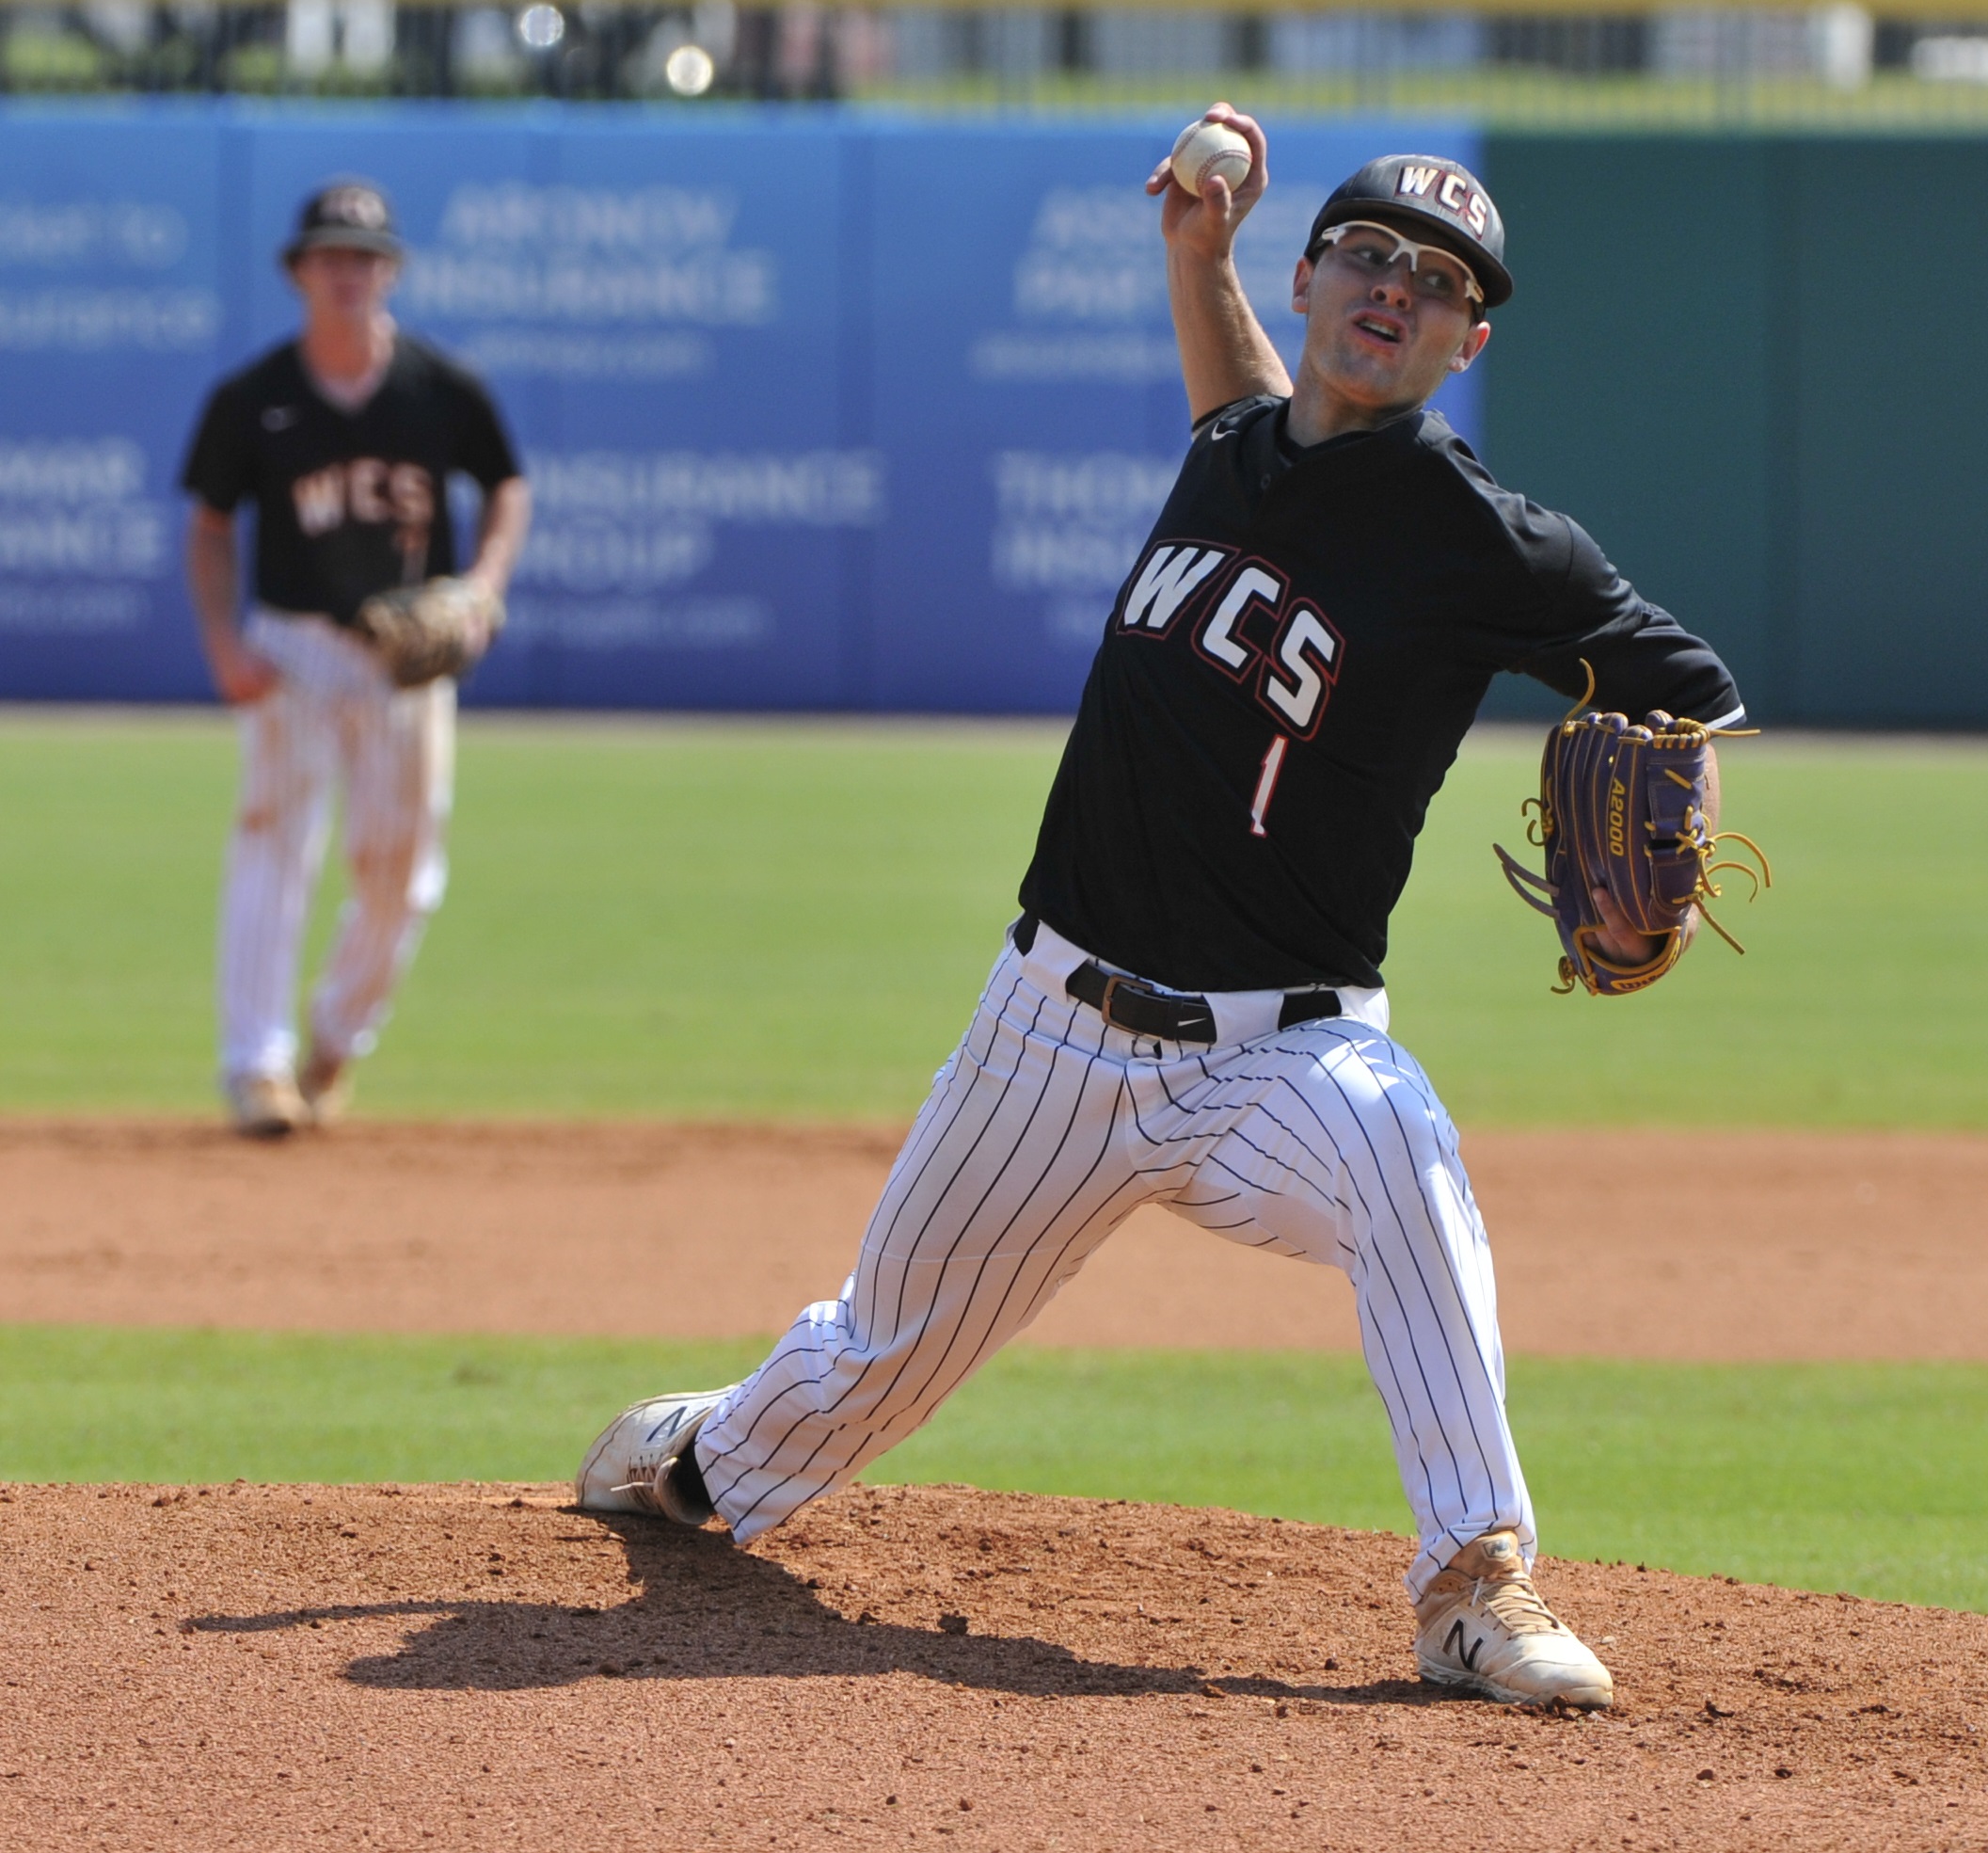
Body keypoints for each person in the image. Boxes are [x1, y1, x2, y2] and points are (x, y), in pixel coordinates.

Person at [575, 111, 1745, 1709]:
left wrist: (1660, 851)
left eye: (1436, 282)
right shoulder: (1233, 446)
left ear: (1469, 339)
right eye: (1368, 253)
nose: (1393, 289)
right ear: (1316, 272)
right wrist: (1192, 251)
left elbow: (1683, 690)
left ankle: (1474, 1582)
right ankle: (699, 1454)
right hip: (1047, 1040)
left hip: (1282, 1054)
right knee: (863, 1369)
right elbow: (1239, 395)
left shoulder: (1481, 534)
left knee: (1407, 1164)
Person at [181, 181, 530, 1137]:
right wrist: (222, 639)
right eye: (331, 255)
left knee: (401, 869)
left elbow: (507, 484)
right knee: (272, 841)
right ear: (299, 272)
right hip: (292, 645)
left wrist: (483, 585)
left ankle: (334, 1036)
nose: (349, 272)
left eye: (366, 256)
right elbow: (210, 525)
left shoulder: (439, 389)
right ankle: (256, 1067)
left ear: (391, 272)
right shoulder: (254, 400)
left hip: (402, 661)